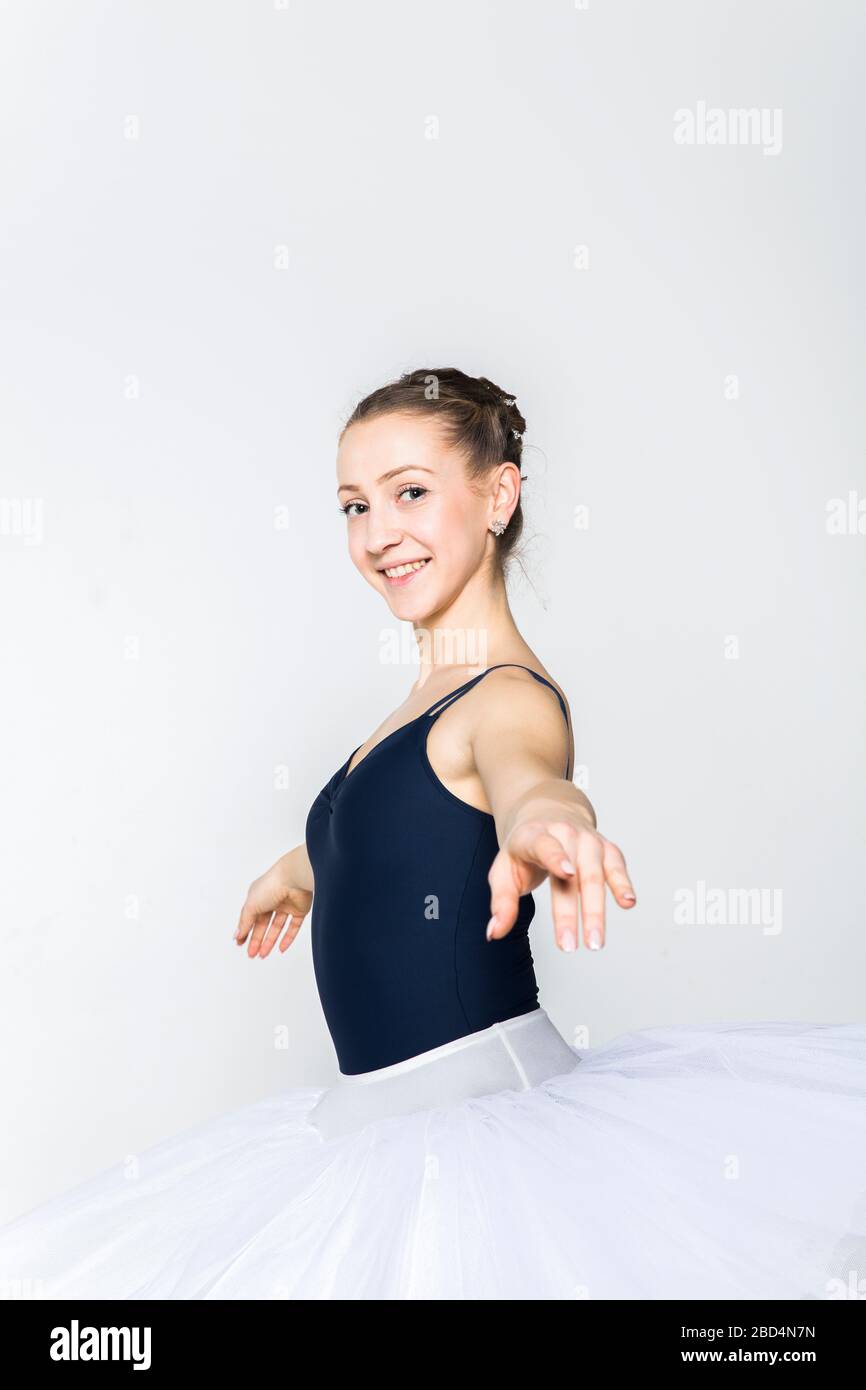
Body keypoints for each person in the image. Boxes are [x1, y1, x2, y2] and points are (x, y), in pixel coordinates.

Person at [1, 368, 864, 1301]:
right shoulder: (421, 700)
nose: (377, 535)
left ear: (498, 495)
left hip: (473, 1133)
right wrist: (304, 868)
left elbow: (528, 778)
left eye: (410, 492)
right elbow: (412, 833)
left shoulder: (505, 697)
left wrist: (548, 825)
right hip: (364, 1124)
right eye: (352, 506)